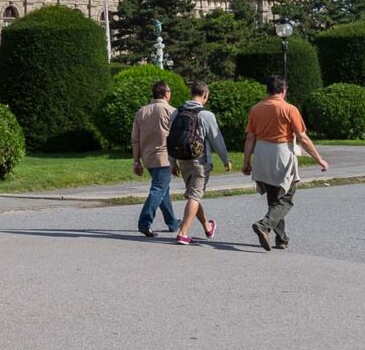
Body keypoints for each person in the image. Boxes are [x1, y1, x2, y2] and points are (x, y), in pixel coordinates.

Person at [242, 75, 329, 251]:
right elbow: (302, 137)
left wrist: (246, 161)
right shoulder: (289, 109)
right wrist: (319, 159)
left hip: (261, 152)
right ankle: (264, 225)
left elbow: (250, 137)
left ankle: (281, 239)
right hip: (281, 151)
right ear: (283, 90)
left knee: (274, 197)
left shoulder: (256, 109)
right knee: (287, 197)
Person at [169, 81, 230, 245]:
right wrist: (226, 160)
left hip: (182, 159)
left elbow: (172, 138)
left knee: (193, 195)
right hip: (200, 160)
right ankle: (183, 233)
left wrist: (172, 162)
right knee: (195, 196)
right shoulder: (206, 115)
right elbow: (217, 140)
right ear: (205, 95)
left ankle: (207, 226)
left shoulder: (177, 112)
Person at [131, 79, 178, 237]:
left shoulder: (141, 112)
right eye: (169, 91)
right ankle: (144, 222)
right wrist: (177, 160)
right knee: (159, 189)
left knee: (163, 189)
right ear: (166, 94)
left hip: (148, 157)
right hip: (164, 157)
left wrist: (136, 161)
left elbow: (135, 139)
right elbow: (176, 138)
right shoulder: (171, 111)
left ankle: (172, 222)